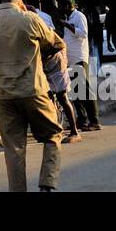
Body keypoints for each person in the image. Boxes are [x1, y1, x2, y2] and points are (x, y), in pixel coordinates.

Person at [0, 0, 65, 192]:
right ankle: (47, 183)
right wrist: (41, 58)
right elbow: (57, 44)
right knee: (53, 135)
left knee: (14, 149)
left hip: (4, 94)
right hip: (33, 89)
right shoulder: (30, 19)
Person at [36, 8, 81, 143]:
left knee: (62, 96)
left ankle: (74, 131)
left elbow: (60, 45)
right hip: (43, 65)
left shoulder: (47, 32)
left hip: (56, 62)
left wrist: (45, 55)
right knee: (46, 96)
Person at [58, 0, 100, 132]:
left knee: (86, 90)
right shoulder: (68, 19)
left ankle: (94, 121)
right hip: (70, 59)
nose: (60, 9)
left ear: (67, 5)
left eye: (62, 5)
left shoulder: (79, 16)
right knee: (76, 92)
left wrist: (67, 26)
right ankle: (81, 120)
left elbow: (83, 33)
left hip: (80, 58)